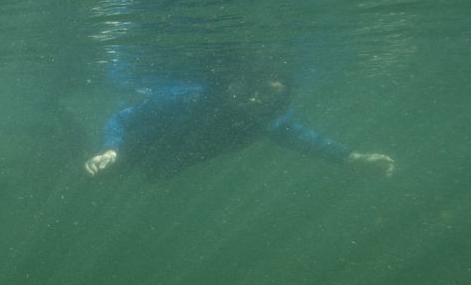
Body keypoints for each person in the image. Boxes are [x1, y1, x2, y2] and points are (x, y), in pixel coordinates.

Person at [83, 73, 395, 177]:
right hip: (124, 154)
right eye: (255, 90)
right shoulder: (190, 99)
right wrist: (110, 149)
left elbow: (305, 139)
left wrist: (352, 158)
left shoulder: (263, 123)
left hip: (156, 168)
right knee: (80, 168)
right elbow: (123, 118)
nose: (259, 101)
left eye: (270, 97)